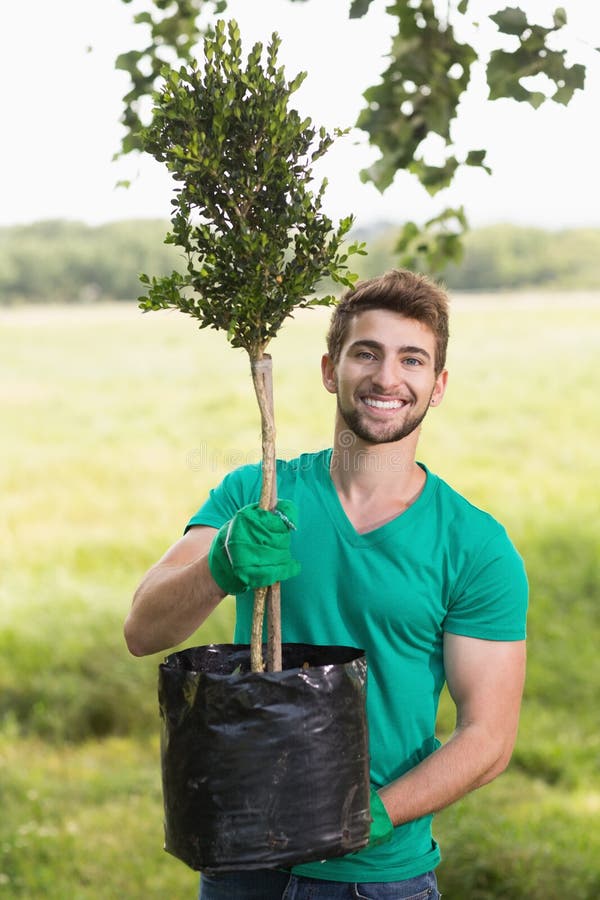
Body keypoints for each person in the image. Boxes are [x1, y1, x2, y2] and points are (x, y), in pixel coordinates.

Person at [124, 269, 528, 900]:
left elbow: (489, 737)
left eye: (411, 359)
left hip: (377, 882)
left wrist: (373, 814)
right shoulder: (256, 496)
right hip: (242, 864)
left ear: (438, 385)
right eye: (365, 352)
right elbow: (143, 630)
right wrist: (218, 567)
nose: (387, 378)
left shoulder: (475, 546)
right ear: (328, 369)